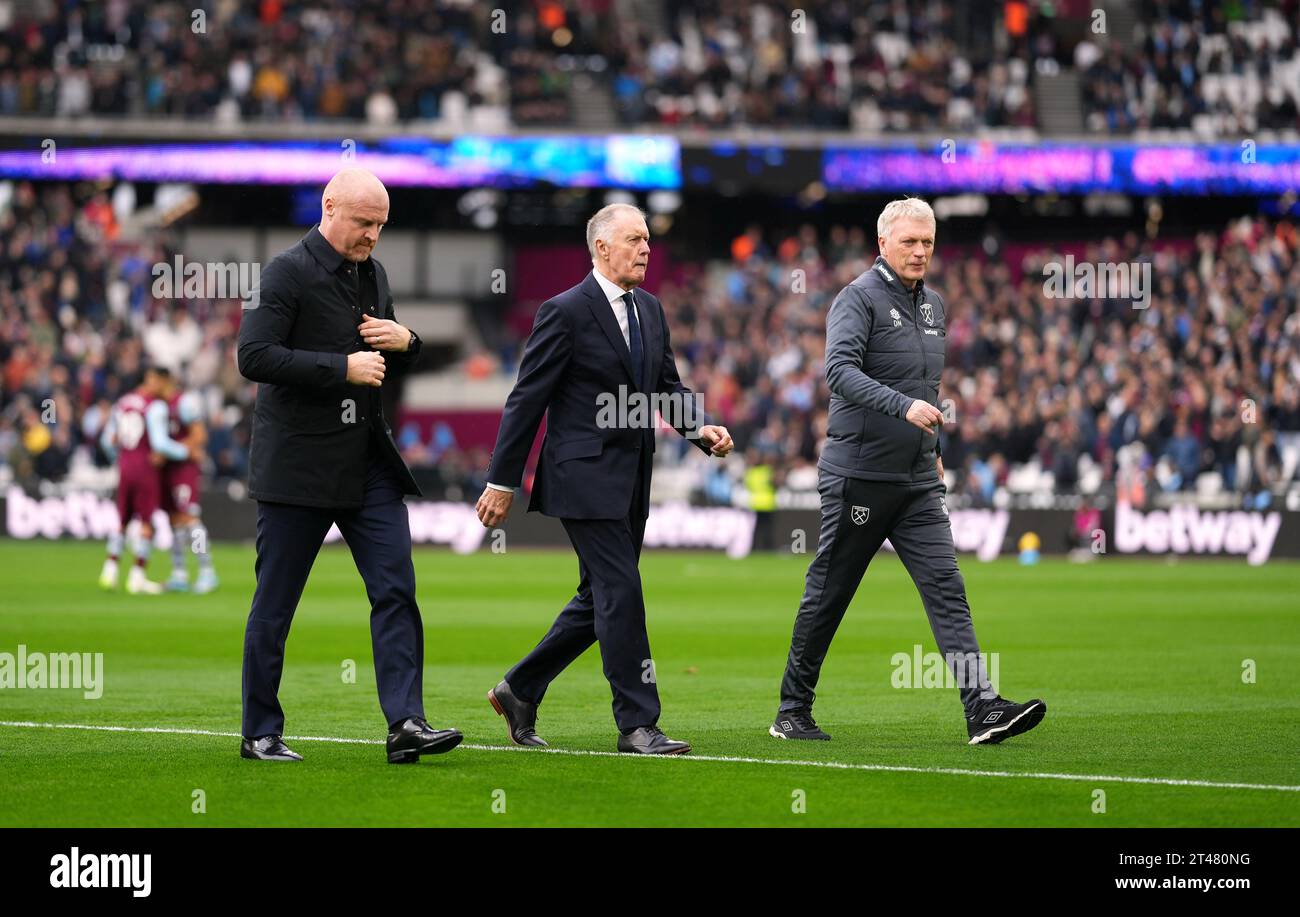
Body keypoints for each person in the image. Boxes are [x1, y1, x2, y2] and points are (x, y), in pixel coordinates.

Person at [772, 197, 1047, 746]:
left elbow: (928, 391)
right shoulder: (857, 299)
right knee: (831, 593)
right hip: (859, 478)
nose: (921, 251)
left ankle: (982, 708)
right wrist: (901, 407)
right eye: (910, 242)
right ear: (883, 244)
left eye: (927, 242)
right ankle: (792, 710)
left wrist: (934, 446)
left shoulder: (934, 306)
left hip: (918, 479)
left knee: (947, 586)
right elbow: (839, 372)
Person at [476, 203, 734, 755]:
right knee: (621, 591)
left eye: (648, 240)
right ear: (601, 248)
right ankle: (638, 724)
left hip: (631, 476)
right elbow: (527, 399)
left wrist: (699, 429)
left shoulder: (651, 310)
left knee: (597, 598)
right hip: (581, 476)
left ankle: (519, 688)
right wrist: (501, 479)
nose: (646, 249)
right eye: (635, 240)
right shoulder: (564, 310)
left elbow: (665, 386)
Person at [236, 167, 460, 764]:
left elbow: (383, 356)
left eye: (381, 226)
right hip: (299, 468)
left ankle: (406, 723)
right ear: (329, 206)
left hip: (366, 464)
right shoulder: (284, 271)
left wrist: (406, 340)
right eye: (364, 223)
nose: (373, 236)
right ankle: (260, 731)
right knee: (276, 603)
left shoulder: (373, 274)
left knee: (396, 590)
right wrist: (342, 368)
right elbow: (253, 356)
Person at [99, 366, 193, 595]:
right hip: (146, 468)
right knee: (146, 522)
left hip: (124, 466)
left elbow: (106, 441)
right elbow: (160, 443)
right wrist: (185, 452)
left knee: (122, 520)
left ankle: (109, 570)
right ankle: (136, 575)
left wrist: (120, 457)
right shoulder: (155, 406)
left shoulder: (122, 403)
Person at [161, 378, 219, 594]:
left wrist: (174, 448)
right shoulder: (159, 406)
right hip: (169, 469)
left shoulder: (184, 403)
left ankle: (207, 570)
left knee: (190, 518)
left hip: (185, 469)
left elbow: (200, 435)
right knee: (174, 519)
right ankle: (179, 573)